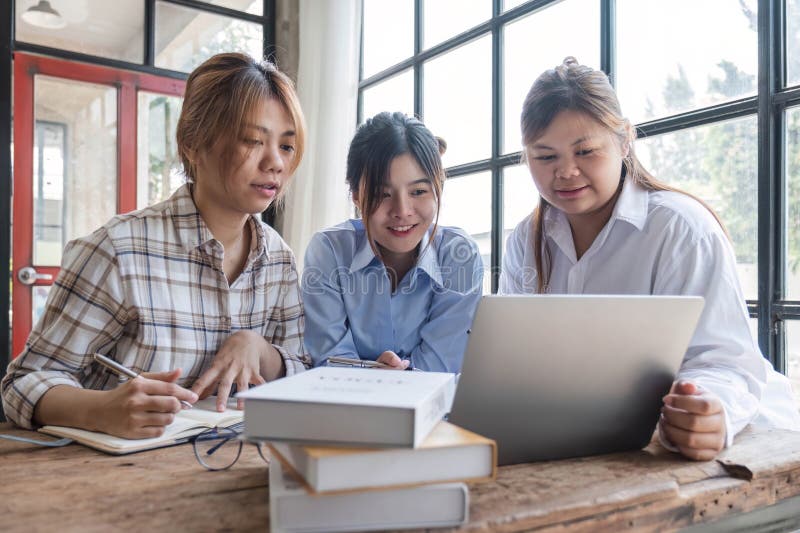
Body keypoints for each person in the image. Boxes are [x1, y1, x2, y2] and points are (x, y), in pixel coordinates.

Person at [500, 57, 800, 461]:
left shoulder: (680, 228)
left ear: (624, 141)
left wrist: (711, 410)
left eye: (585, 150)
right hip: (604, 447)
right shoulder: (527, 238)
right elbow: (518, 359)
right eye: (545, 156)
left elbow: (726, 363)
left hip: (745, 446)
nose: (566, 172)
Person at [1, 53, 311, 438]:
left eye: (286, 146)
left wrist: (258, 349)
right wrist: (100, 410)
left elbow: (302, 372)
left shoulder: (279, 260)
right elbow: (22, 384)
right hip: (118, 478)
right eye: (253, 140)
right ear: (193, 143)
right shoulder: (118, 250)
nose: (275, 163)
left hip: (234, 465)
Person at [301, 112, 483, 372]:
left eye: (418, 192)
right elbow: (328, 360)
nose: (402, 210)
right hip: (347, 407)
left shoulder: (459, 255)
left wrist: (386, 379)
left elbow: (443, 365)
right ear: (355, 196)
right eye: (382, 194)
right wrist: (382, 380)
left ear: (439, 187)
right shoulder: (329, 251)